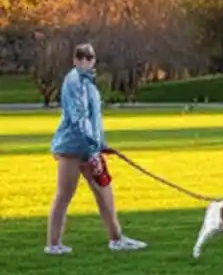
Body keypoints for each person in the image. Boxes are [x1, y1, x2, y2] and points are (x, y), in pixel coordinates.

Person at [46, 43, 147, 255]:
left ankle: (116, 239)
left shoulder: (89, 85)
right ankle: (54, 244)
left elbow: (94, 120)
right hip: (72, 147)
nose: (86, 61)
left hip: (89, 147)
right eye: (81, 57)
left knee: (104, 192)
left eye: (89, 57)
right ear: (75, 60)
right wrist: (93, 149)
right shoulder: (74, 82)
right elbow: (78, 118)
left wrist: (100, 145)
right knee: (65, 194)